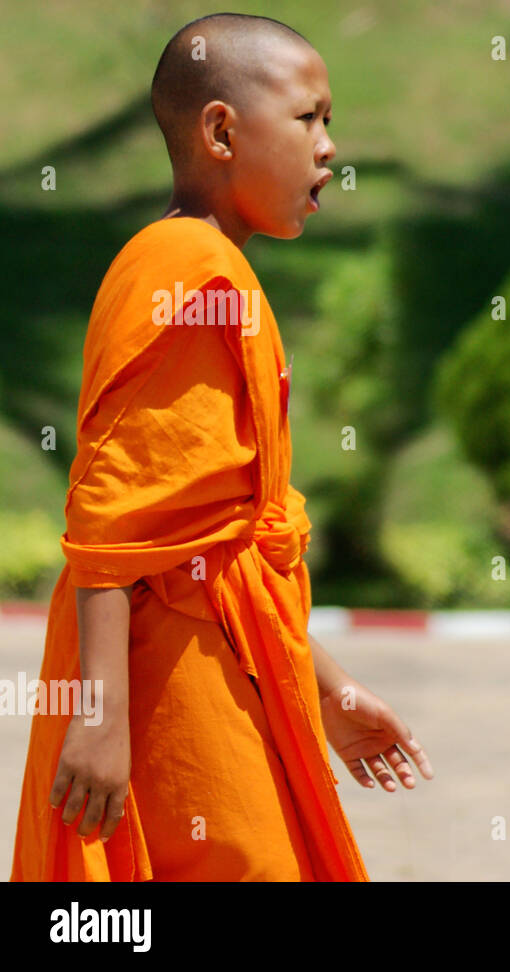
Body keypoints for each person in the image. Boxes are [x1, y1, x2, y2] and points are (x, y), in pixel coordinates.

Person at [11, 13, 432, 882]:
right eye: (309, 118)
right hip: (167, 678)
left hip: (225, 659)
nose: (330, 147)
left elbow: (230, 537)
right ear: (221, 131)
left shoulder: (214, 269)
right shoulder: (184, 269)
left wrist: (329, 689)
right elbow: (117, 524)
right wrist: (100, 715)